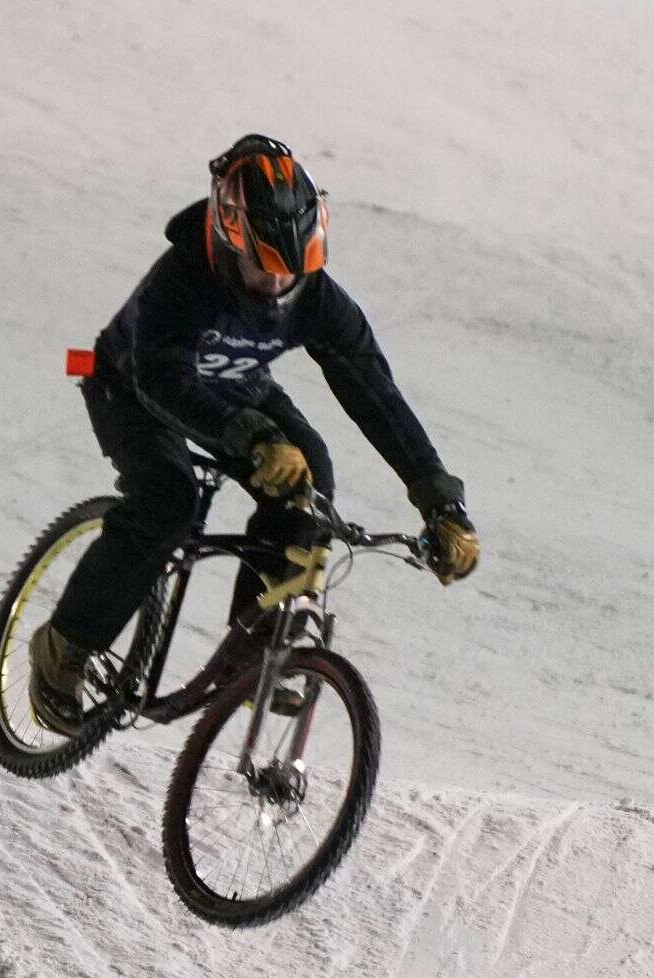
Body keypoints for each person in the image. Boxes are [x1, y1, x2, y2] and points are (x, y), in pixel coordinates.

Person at [29, 134, 480, 735]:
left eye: (292, 271)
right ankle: (62, 649)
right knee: (167, 501)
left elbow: (378, 399)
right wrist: (249, 436)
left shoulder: (317, 299)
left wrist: (440, 500)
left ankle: (253, 647)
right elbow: (161, 379)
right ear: (224, 239)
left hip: (236, 389)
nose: (276, 286)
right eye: (262, 268)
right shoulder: (183, 276)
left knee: (308, 476)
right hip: (129, 383)